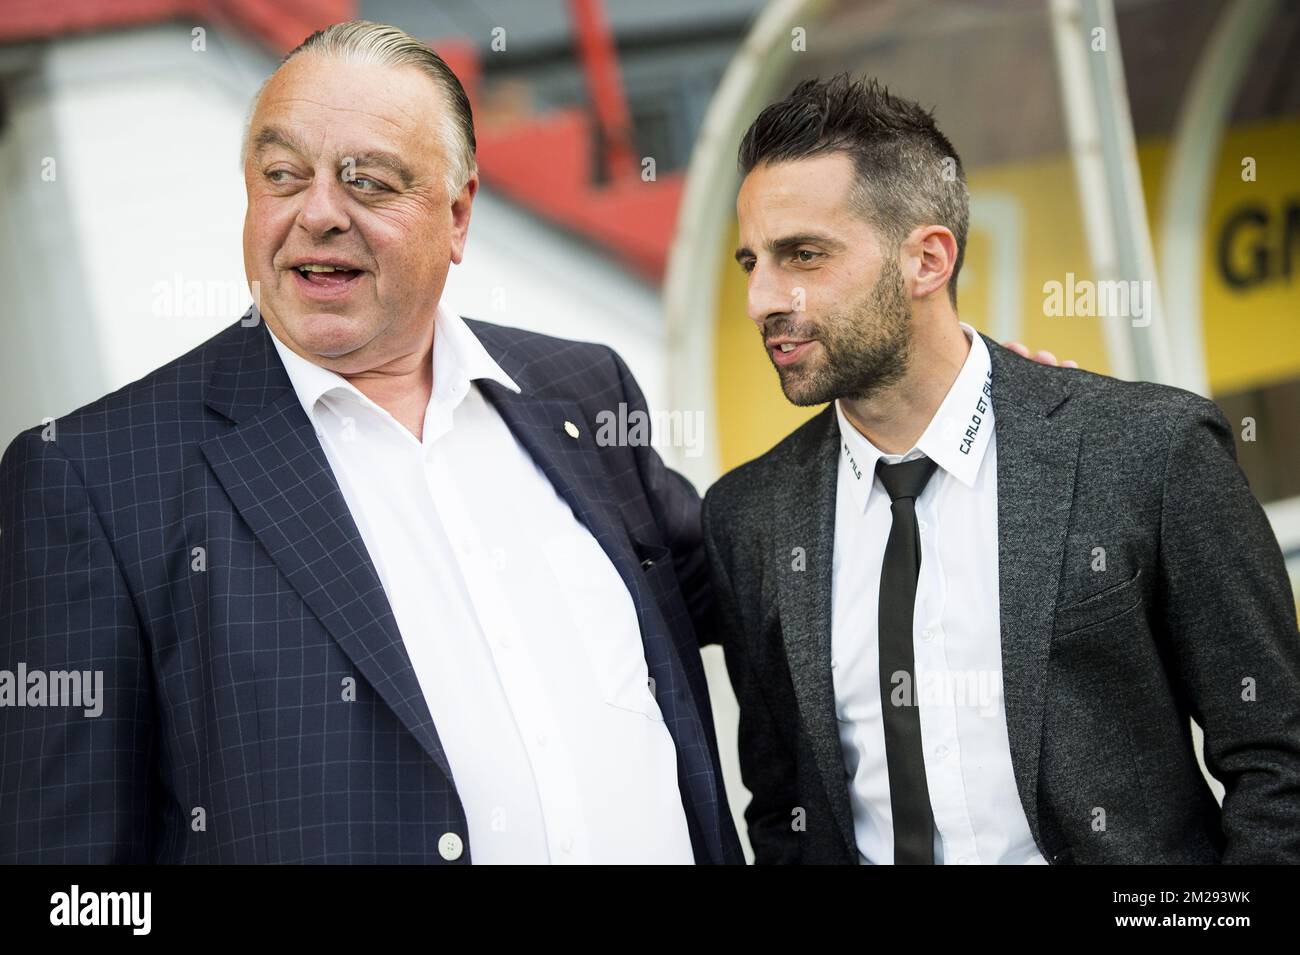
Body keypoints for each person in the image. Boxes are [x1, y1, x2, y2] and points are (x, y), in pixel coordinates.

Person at [0, 20, 741, 865]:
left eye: (369, 181)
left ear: (457, 215)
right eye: (283, 175)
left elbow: (759, 581)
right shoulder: (96, 478)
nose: (318, 213)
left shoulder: (584, 393)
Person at [703, 74, 1300, 864]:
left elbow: (1277, 763)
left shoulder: (1148, 450)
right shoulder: (749, 516)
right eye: (752, 261)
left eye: (802, 254)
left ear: (927, 259)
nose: (763, 298)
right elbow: (783, 811)